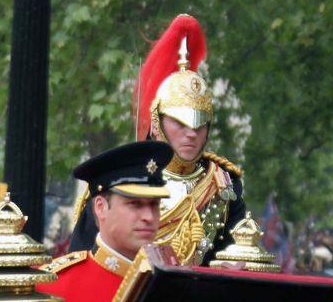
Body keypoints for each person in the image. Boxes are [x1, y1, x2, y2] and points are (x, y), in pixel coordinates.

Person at [68, 15, 246, 266]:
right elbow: (83, 259)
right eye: (180, 123)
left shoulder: (221, 186)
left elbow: (239, 257)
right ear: (156, 121)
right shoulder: (121, 175)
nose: (191, 133)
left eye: (199, 125)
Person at [38, 141, 173, 302]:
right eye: (135, 204)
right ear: (101, 207)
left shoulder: (172, 282)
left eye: (154, 205)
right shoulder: (52, 288)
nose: (149, 217)